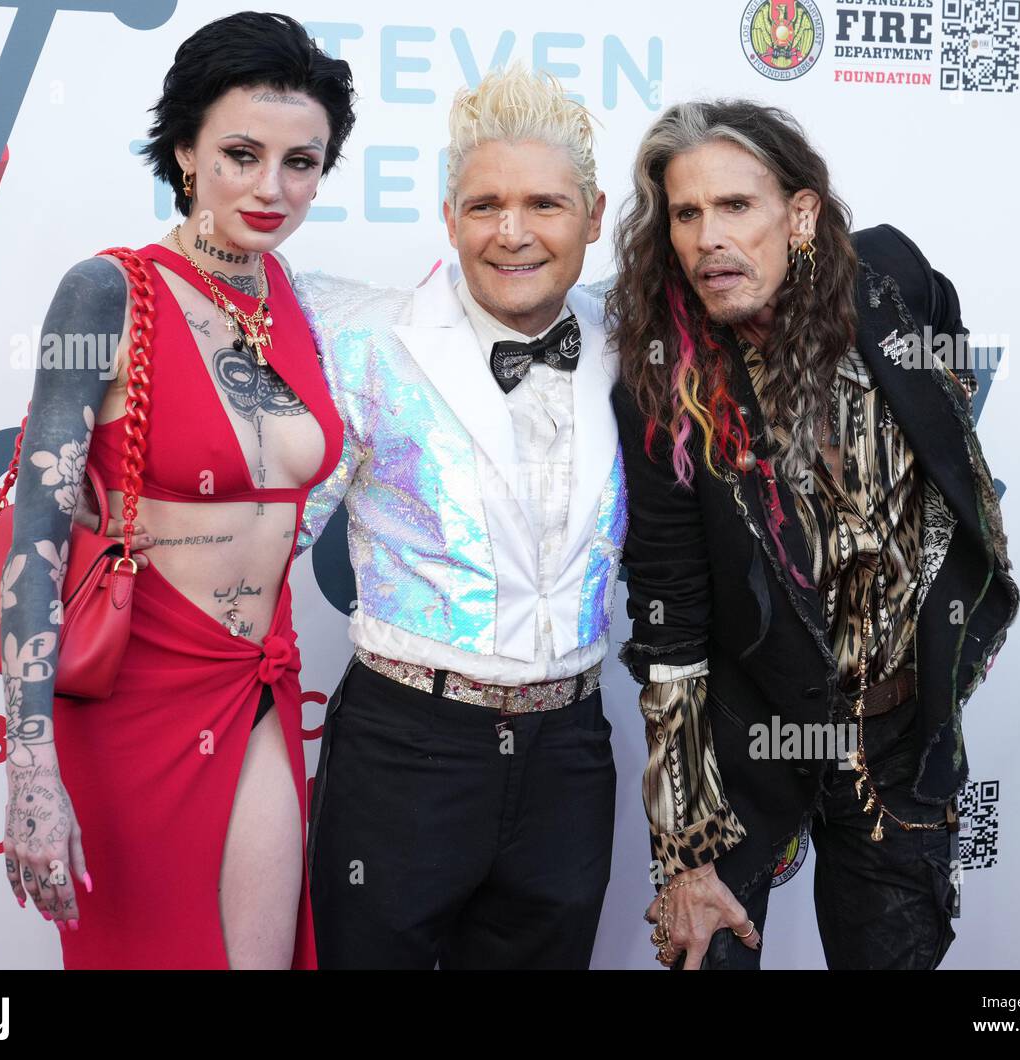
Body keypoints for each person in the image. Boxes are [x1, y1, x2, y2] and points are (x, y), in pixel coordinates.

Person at [608, 100, 1019, 970]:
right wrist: (684, 851)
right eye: (687, 214)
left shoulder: (892, 283)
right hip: (744, 748)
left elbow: (950, 422)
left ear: (798, 214)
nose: (708, 238)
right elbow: (671, 620)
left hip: (900, 742)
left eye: (735, 207)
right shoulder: (665, 387)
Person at [1, 11, 355, 968]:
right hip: (132, 693)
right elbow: (36, 533)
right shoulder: (108, 291)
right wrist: (27, 762)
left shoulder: (296, 304)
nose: (273, 187)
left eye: (303, 161)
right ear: (185, 149)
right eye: (242, 153)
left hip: (257, 687)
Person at [292, 64, 627, 969]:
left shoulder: (634, 345)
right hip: (407, 746)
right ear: (449, 220)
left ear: (594, 219)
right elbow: (261, 529)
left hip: (572, 750)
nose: (511, 234)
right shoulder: (361, 339)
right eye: (483, 207)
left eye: (545, 206)